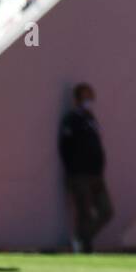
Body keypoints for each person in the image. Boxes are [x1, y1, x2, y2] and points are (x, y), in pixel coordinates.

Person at [58, 82, 112, 253]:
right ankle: (83, 247)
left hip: (96, 173)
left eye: (91, 96)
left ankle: (81, 238)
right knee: (84, 213)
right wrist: (73, 169)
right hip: (79, 174)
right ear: (78, 99)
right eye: (85, 96)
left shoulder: (90, 118)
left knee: (106, 210)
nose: (89, 100)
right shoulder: (72, 119)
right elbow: (65, 147)